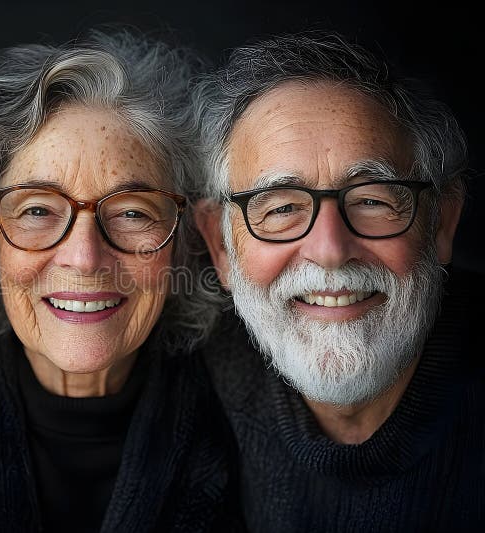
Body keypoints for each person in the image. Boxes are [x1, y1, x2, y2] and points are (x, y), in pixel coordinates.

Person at [0, 28, 242, 532]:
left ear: (184, 238)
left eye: (131, 213)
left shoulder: (245, 423)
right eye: (37, 209)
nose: (83, 257)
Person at [192, 30, 484, 531]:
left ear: (442, 223)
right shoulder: (196, 378)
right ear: (220, 245)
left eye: (372, 200)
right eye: (281, 207)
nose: (329, 250)